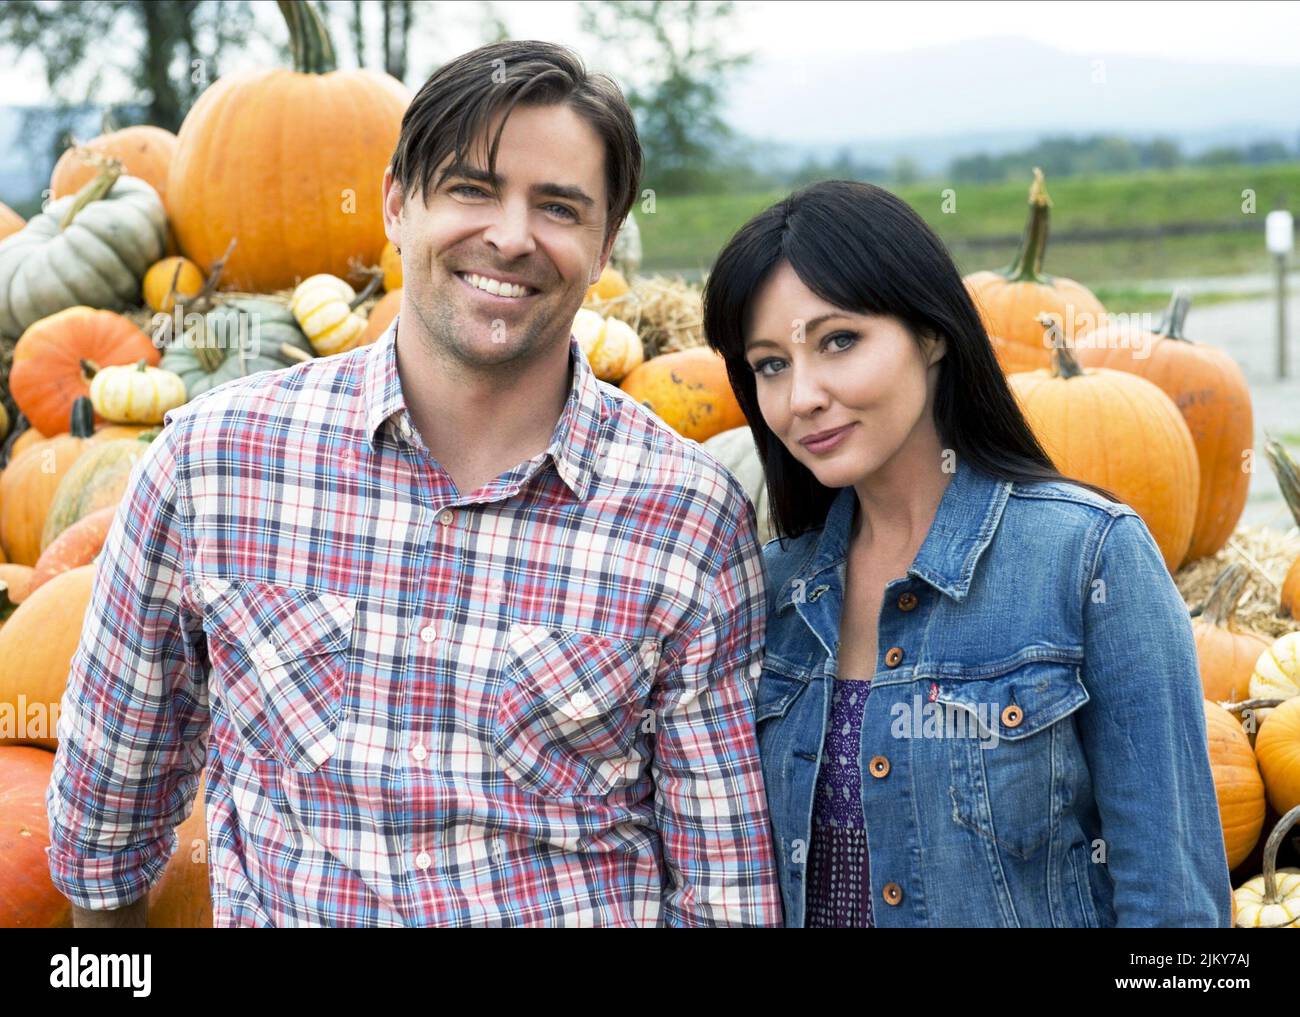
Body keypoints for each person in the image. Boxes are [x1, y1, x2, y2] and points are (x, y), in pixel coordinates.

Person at [46, 40, 782, 928]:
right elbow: (105, 825)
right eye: (472, 189)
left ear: (605, 237)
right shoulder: (215, 462)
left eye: (557, 206)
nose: (510, 237)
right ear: (397, 203)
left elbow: (724, 892)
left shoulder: (688, 517)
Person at [700, 178, 1233, 927]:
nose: (802, 397)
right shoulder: (773, 589)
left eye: (839, 341)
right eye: (770, 364)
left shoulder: (1090, 561)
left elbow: (1172, 910)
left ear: (931, 332)